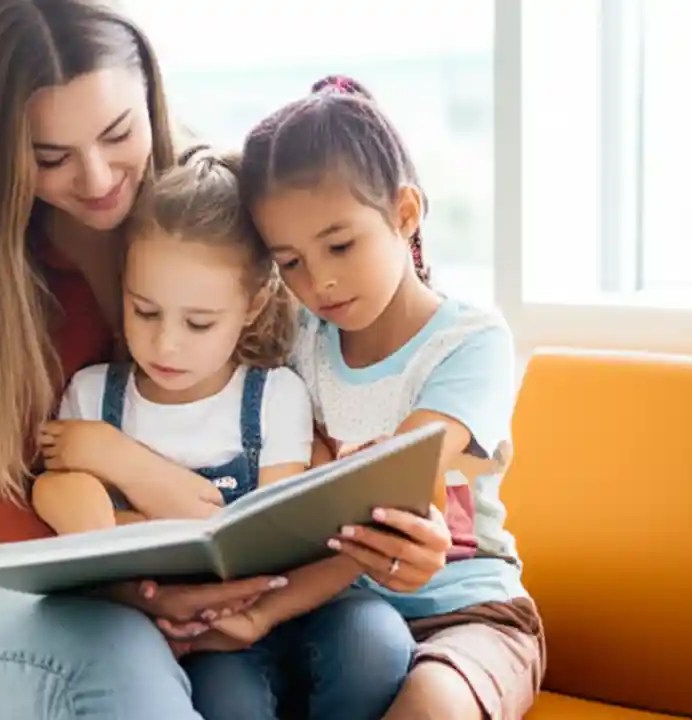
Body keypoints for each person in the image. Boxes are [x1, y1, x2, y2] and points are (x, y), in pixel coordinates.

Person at [0, 0, 455, 715]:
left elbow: (365, 369)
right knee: (124, 659)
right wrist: (134, 578)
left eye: (118, 133)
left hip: (252, 596)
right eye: (50, 156)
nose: (94, 178)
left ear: (149, 93)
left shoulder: (222, 208)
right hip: (21, 600)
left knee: (368, 648)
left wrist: (416, 524)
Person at [32, 148, 417, 720]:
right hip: (197, 628)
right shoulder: (92, 398)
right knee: (226, 698)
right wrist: (98, 485)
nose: (166, 345)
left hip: (291, 601)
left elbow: (276, 538)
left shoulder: (272, 396)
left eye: (199, 322)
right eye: (144, 311)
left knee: (375, 644)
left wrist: (131, 473)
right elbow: (63, 509)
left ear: (254, 303)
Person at [239, 75, 547, 720]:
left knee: (431, 706)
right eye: (289, 262)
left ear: (405, 214)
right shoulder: (300, 338)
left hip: (467, 613)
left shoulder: (471, 339)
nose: (318, 279)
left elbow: (394, 478)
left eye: (340, 244)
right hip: (340, 613)